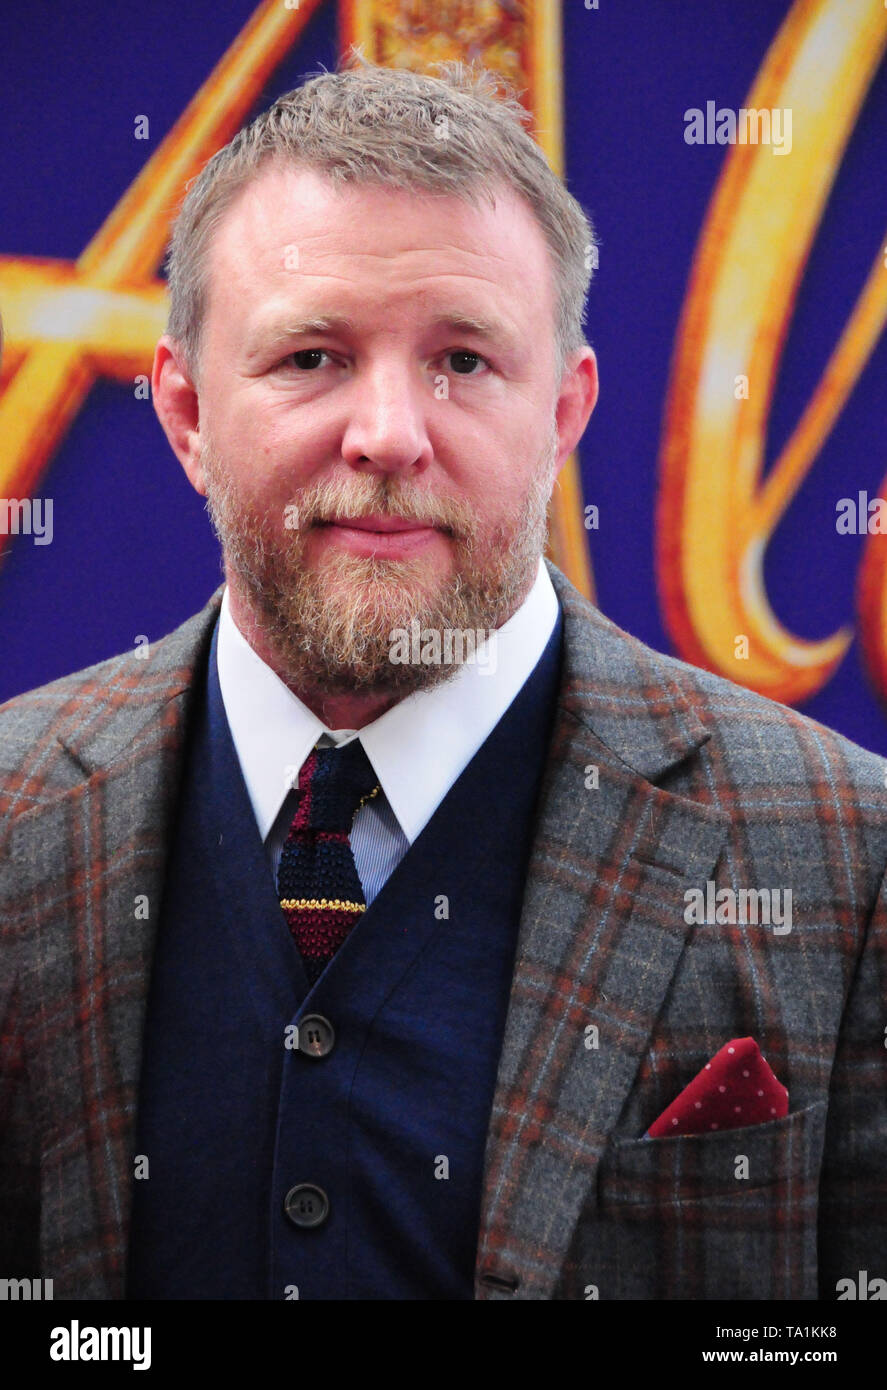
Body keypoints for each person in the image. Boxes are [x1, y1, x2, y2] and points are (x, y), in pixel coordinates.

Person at [1, 53, 885, 1303]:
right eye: (310, 356)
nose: (388, 434)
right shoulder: (10, 819)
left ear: (564, 415)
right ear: (186, 414)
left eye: (463, 361)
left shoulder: (846, 857)